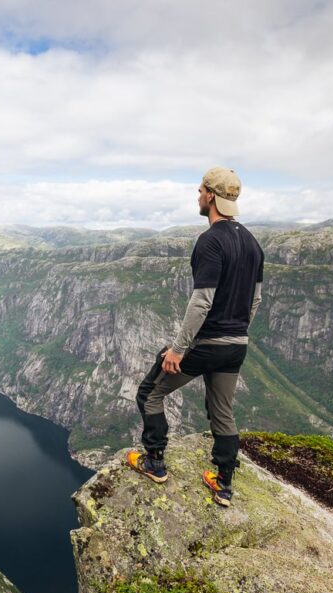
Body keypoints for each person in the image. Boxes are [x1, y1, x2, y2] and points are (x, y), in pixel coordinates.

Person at [126, 167, 264, 507]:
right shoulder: (253, 244)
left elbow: (202, 300)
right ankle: (224, 484)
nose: (198, 195)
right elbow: (256, 299)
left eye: (201, 190)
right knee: (223, 412)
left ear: (211, 196)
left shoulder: (210, 241)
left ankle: (155, 462)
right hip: (237, 345)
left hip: (206, 344)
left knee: (149, 394)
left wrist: (178, 349)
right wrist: (237, 330)